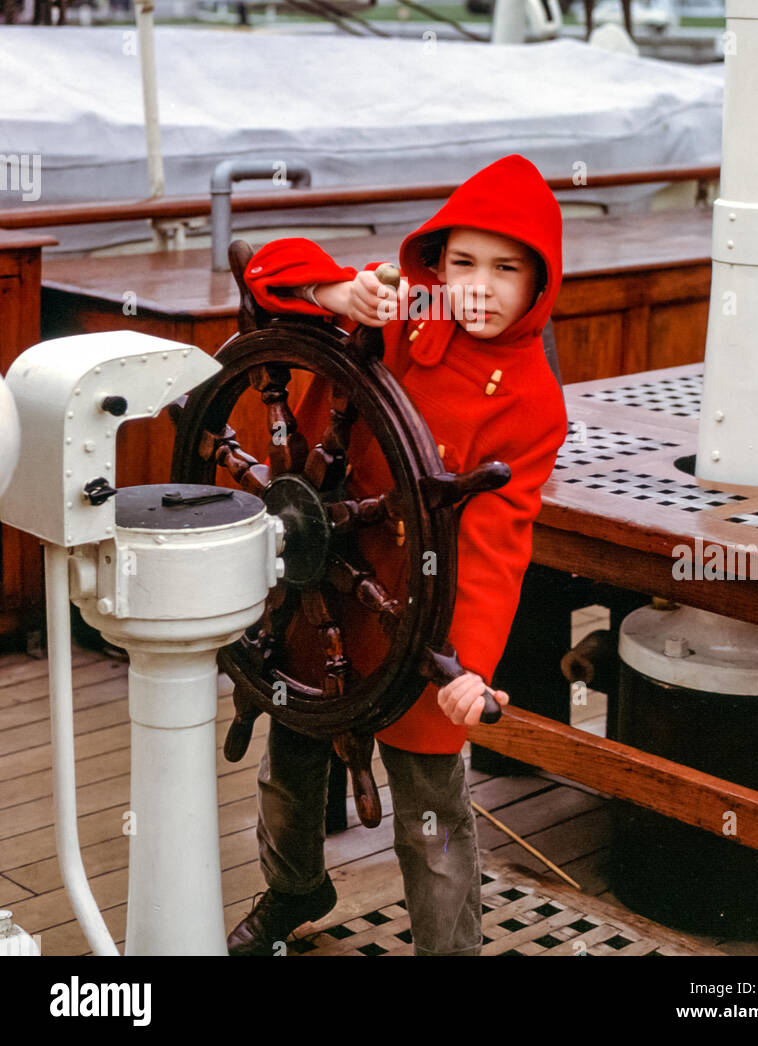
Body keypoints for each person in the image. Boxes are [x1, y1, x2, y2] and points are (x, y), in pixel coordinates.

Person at [227, 153, 569, 956]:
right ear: (434, 263)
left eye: (506, 269)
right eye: (463, 263)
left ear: (540, 285)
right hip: (320, 589)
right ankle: (294, 888)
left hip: (423, 625)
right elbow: (270, 271)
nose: (479, 286)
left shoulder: (530, 404)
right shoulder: (395, 314)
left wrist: (471, 667)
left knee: (429, 813)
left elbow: (495, 544)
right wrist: (338, 293)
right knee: (290, 760)